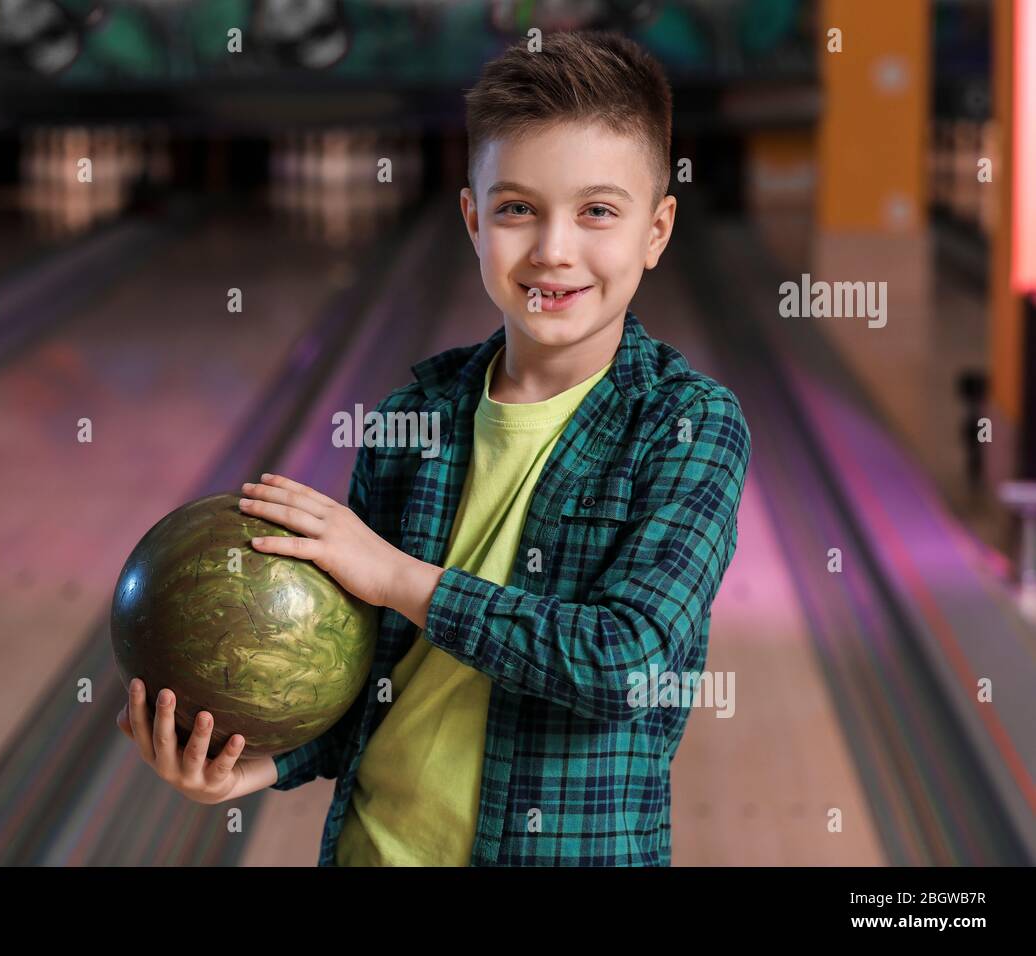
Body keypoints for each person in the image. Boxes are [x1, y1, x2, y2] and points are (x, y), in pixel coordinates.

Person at [118, 29, 751, 866]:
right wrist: (259, 766)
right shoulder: (413, 417)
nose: (553, 248)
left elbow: (623, 666)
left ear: (657, 230)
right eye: (517, 207)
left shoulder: (689, 426)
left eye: (598, 210)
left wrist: (398, 576)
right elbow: (370, 676)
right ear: (471, 218)